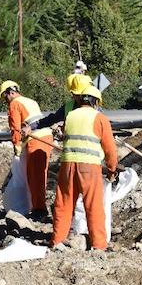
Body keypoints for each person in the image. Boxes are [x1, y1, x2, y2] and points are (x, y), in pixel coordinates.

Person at [48, 84, 118, 251]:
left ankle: (57, 241)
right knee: (93, 206)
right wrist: (112, 169)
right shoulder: (99, 118)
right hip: (89, 168)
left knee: (63, 205)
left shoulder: (70, 115)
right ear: (96, 102)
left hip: (67, 166)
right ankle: (99, 245)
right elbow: (110, 149)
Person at [0, 80, 54, 218]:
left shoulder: (14, 104)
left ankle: (39, 209)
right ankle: (38, 205)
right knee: (40, 174)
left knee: (35, 176)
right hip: (46, 137)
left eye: (5, 97)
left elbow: (15, 129)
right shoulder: (30, 101)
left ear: (10, 92)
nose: (6, 101)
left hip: (36, 140)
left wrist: (17, 148)